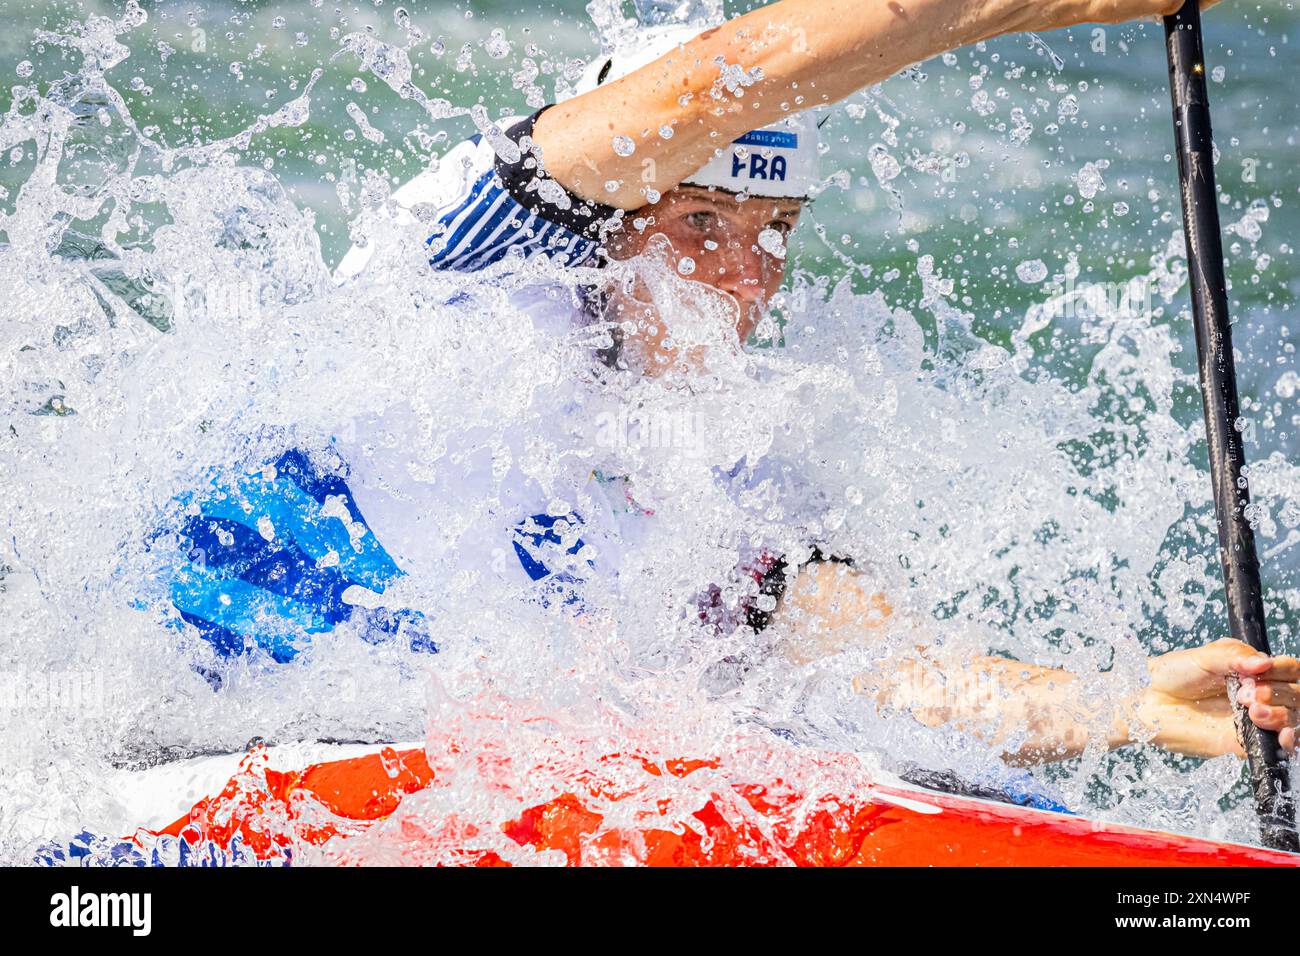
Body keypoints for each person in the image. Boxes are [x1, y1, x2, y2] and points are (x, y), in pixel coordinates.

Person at [177, 0, 1300, 771]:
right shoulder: (458, 269)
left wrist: (1130, 705)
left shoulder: (741, 448)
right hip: (180, 738)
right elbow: (719, 82)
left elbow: (879, 670)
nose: (741, 275)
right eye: (701, 220)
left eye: (775, 230)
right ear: (611, 209)